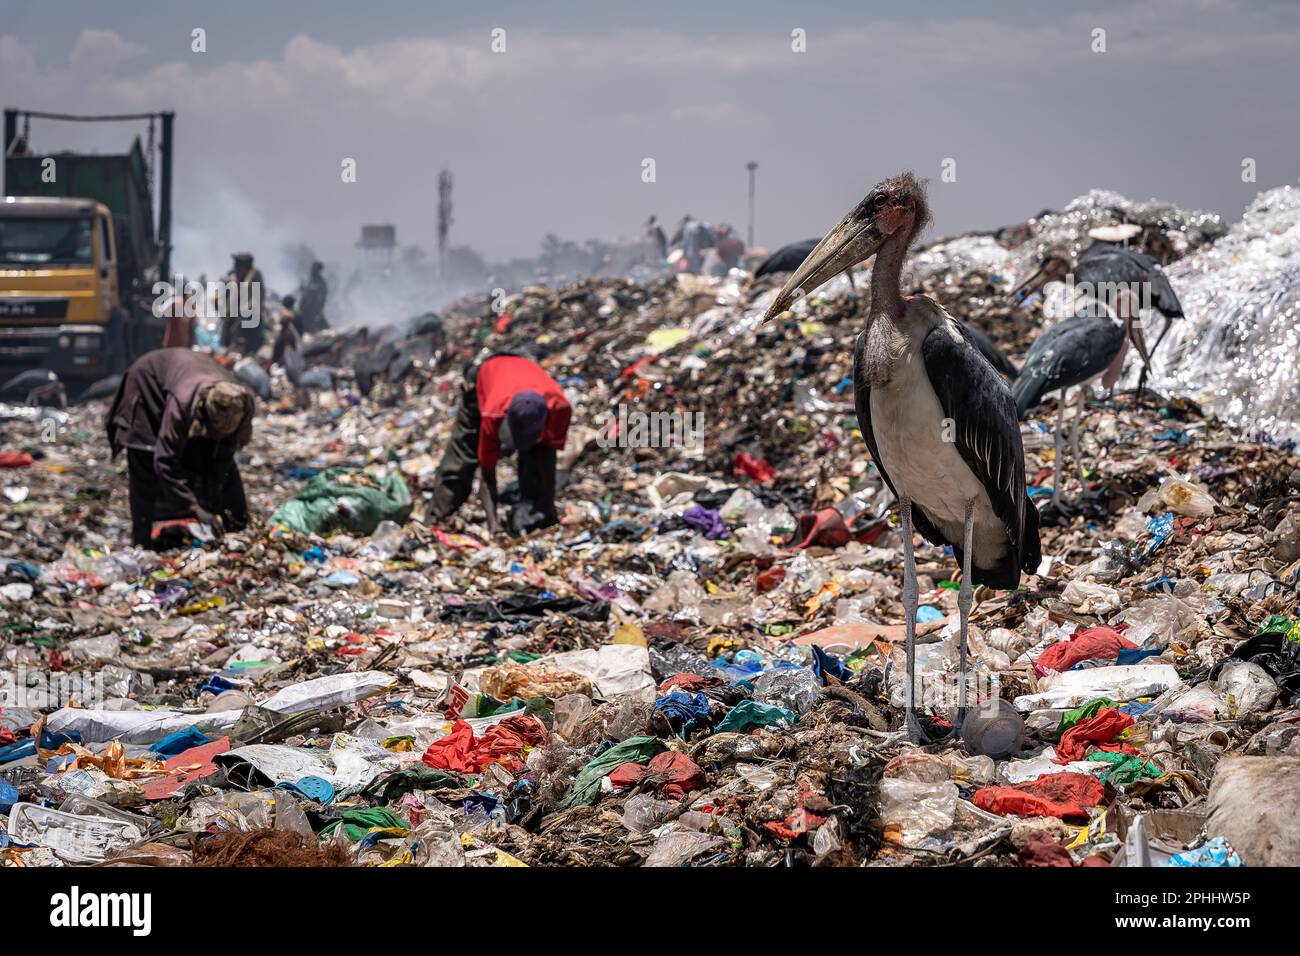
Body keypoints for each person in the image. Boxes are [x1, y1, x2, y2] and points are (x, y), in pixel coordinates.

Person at [106, 349, 256, 548]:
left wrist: (233, 513)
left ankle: (236, 527)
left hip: (180, 376)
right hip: (147, 386)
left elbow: (224, 458)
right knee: (145, 459)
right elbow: (164, 460)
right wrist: (195, 509)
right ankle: (141, 540)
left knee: (218, 461)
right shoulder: (184, 402)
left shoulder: (241, 401)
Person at [429, 354, 571, 535]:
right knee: (462, 455)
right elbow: (487, 476)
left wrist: (549, 510)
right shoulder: (493, 414)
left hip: (522, 368)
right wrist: (493, 525)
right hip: (484, 376)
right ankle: (436, 520)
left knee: (538, 458)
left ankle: (536, 517)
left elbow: (548, 461)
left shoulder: (560, 409)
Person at [219, 252, 266, 354]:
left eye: (238, 265)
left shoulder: (254, 277)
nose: (236, 268)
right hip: (233, 320)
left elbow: (254, 302)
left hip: (247, 322)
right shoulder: (234, 278)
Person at [298, 261, 329, 333]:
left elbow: (322, 297)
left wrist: (320, 308)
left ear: (318, 270)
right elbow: (304, 292)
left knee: (311, 325)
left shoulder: (321, 282)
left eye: (315, 269)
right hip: (304, 306)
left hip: (313, 308)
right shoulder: (309, 279)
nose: (312, 270)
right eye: (312, 268)